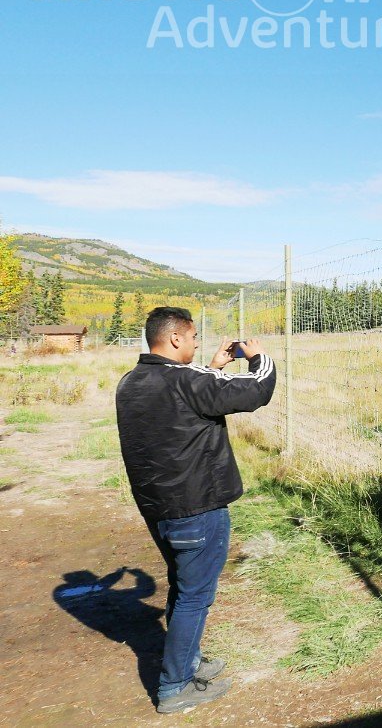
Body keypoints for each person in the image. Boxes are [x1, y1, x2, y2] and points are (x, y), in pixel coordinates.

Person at [115, 306, 276, 714]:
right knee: (194, 596)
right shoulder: (189, 380)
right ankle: (175, 687)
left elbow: (184, 399)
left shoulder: (130, 382)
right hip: (198, 507)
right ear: (173, 339)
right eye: (192, 337)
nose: (197, 342)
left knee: (182, 585)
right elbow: (257, 391)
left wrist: (211, 368)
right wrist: (257, 356)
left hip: (159, 508)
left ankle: (186, 659)